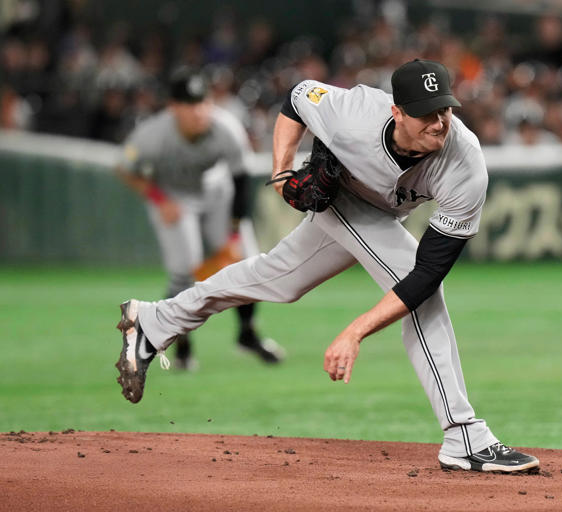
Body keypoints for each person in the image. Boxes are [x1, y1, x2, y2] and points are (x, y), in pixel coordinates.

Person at [114, 59, 540, 473]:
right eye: (426, 114)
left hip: (383, 212)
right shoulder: (353, 113)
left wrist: (355, 331)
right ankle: (463, 435)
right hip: (341, 199)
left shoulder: (465, 163)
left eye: (445, 109)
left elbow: (428, 272)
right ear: (396, 112)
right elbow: (297, 98)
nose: (439, 122)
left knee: (278, 278)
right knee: (423, 302)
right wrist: (281, 172)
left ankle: (156, 320)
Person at [115, 67, 284, 369]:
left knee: (245, 260)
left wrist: (233, 235)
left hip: (216, 191)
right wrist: (158, 199)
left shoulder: (226, 127)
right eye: (190, 104)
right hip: (174, 197)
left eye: (203, 102)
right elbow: (124, 167)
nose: (199, 111)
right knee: (184, 270)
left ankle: (247, 333)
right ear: (173, 108)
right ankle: (181, 345)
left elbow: (241, 178)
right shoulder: (153, 134)